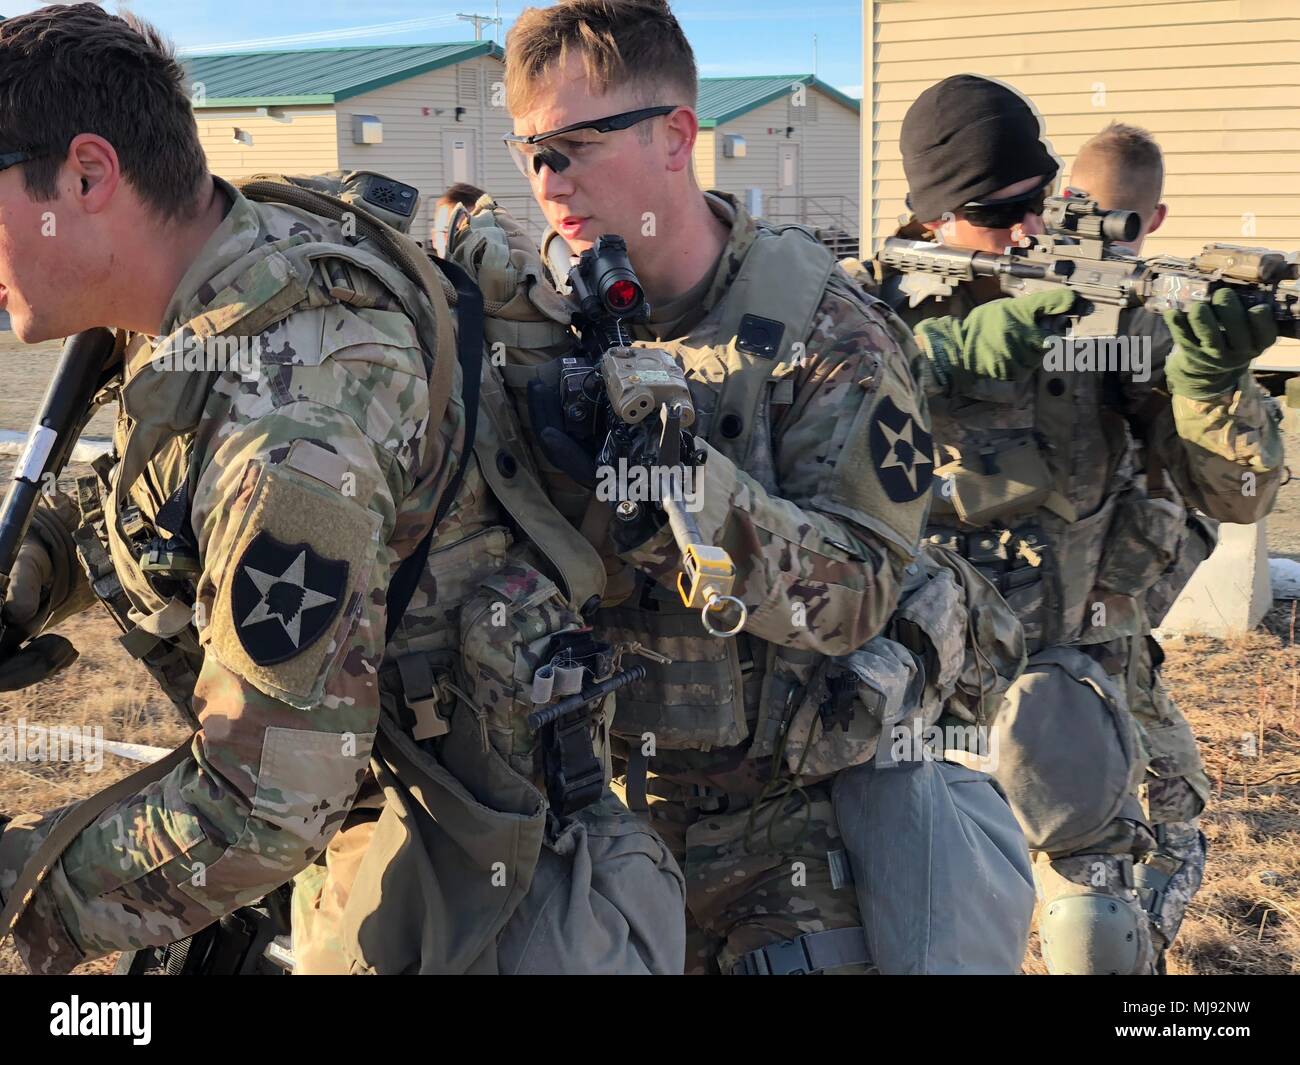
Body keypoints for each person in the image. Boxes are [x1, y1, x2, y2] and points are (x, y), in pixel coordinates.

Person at [0, 3, 684, 976]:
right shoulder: (239, 265)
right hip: (374, 781)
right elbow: (155, 486)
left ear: (87, 175)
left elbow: (262, 806)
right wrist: (38, 563)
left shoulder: (292, 427)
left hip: (434, 850)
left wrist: (20, 888)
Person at [449, 0, 1039, 975]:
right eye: (529, 151)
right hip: (596, 812)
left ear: (676, 136)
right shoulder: (542, 327)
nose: (548, 180)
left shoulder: (825, 333)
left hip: (786, 836)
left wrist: (680, 480)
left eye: (576, 145)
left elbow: (853, 593)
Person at [873, 76, 1284, 974]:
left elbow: (1235, 494)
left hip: (1079, 665)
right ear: (935, 215)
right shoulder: (870, 311)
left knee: (1100, 925)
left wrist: (1211, 385)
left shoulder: (1109, 312)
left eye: (1039, 201)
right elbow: (851, 410)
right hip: (911, 681)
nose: (1026, 231)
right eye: (994, 212)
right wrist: (978, 342)